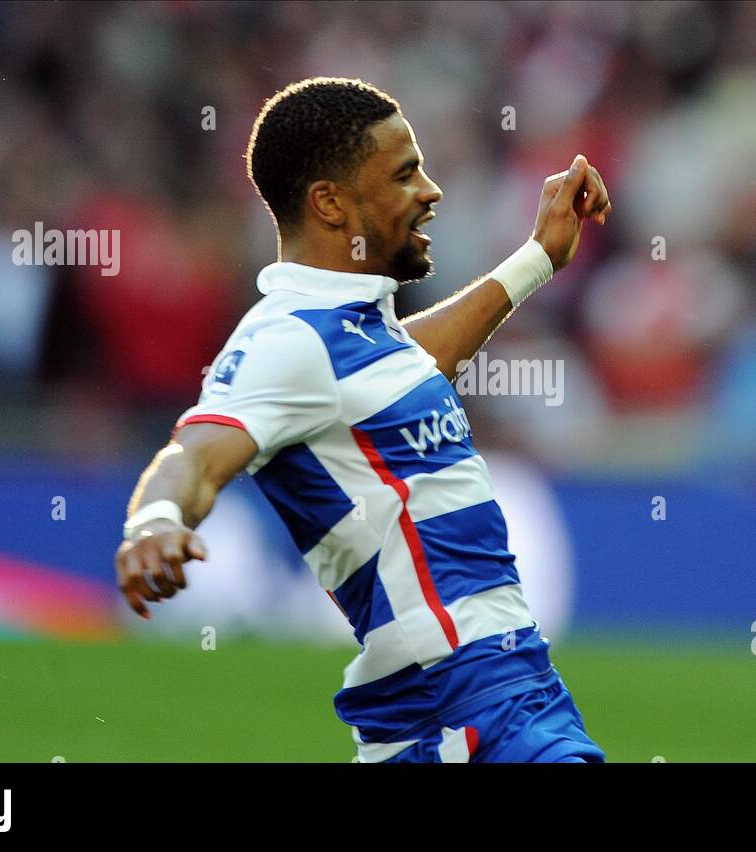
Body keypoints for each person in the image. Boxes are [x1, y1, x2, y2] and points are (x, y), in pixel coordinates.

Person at [113, 77, 611, 763]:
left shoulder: (357, 333)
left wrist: (539, 257)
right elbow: (196, 452)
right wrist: (157, 523)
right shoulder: (284, 341)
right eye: (405, 174)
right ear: (329, 203)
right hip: (457, 705)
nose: (430, 191)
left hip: (508, 691)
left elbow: (409, 363)